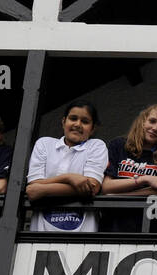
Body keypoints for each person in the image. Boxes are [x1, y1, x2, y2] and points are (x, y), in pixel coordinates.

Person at [26, 99, 109, 232]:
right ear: (63, 121)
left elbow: (92, 187)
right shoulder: (44, 144)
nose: (78, 124)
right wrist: (69, 178)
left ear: (93, 129)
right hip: (41, 231)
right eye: (73, 118)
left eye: (85, 121)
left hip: (83, 233)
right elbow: (33, 187)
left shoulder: (96, 146)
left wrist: (44, 189)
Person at [100, 103, 157, 232]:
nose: (155, 128)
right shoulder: (119, 145)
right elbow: (106, 187)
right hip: (114, 225)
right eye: (152, 121)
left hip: (150, 230)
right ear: (143, 121)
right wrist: (145, 179)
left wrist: (120, 194)